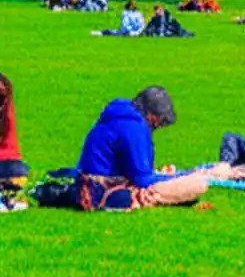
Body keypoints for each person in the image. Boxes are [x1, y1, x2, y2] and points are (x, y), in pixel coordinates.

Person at [73, 86, 210, 210]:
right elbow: (143, 179)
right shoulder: (134, 128)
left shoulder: (120, 116)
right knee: (197, 184)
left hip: (86, 185)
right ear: (151, 115)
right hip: (103, 190)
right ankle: (131, 199)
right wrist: (181, 175)